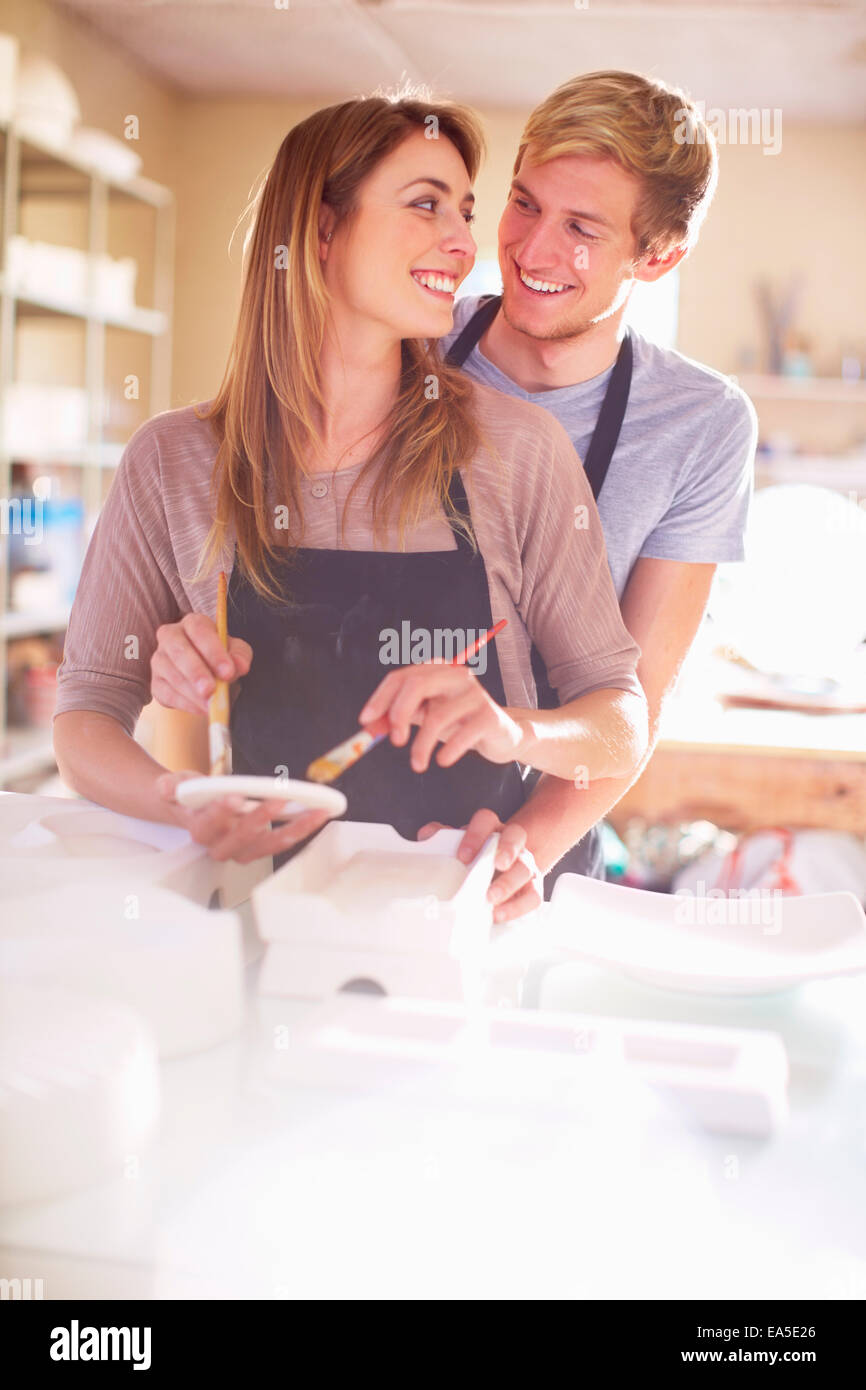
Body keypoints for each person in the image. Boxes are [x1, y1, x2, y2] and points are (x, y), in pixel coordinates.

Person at [52, 93, 648, 923]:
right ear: (321, 233)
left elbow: (621, 717)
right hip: (262, 922)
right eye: (425, 204)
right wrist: (177, 795)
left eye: (466, 211)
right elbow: (85, 714)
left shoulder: (516, 454)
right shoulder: (174, 460)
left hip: (458, 925)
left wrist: (516, 735)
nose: (463, 242)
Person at [433, 69, 757, 888]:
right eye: (526, 202)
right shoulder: (411, 347)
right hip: (349, 794)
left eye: (581, 227)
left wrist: (523, 851)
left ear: (660, 256)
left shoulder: (702, 424)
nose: (533, 250)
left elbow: (636, 701)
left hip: (534, 834)